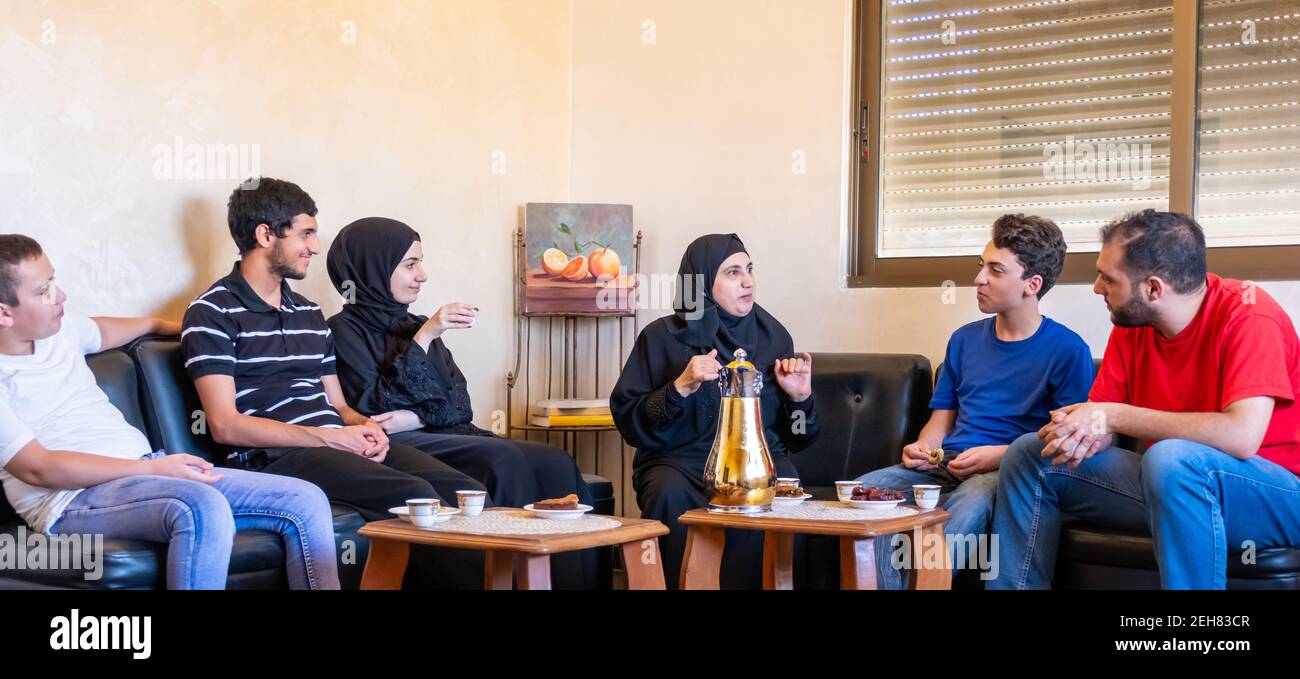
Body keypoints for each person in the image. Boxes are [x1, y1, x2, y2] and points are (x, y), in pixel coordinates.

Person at [182, 178, 485, 587]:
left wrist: (365, 427)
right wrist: (330, 438)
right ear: (265, 235)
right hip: (272, 457)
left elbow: (338, 407)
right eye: (305, 233)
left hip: (331, 443)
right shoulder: (212, 312)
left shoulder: (308, 313)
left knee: (464, 490)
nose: (315, 246)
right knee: (416, 497)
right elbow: (225, 425)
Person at [0, 234, 338, 589]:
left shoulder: (62, 330)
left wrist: (189, 328)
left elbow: (127, 327)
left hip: (145, 472)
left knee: (306, 500)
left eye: (55, 281)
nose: (61, 296)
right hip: (71, 498)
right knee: (200, 508)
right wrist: (152, 468)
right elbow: (38, 469)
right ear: (4, 312)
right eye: (43, 291)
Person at [991, 210, 1300, 589]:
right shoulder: (1133, 323)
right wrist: (1080, 429)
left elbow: (1242, 436)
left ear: (1153, 288)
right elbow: (1102, 421)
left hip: (1273, 498)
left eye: (1108, 278)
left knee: (1170, 457)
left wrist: (1115, 416)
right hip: (1173, 485)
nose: (1096, 287)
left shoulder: (1249, 315)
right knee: (1030, 454)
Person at [325, 216, 597, 588]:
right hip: (395, 446)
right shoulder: (342, 331)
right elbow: (375, 407)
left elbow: (459, 402)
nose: (423, 275)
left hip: (435, 432)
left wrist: (417, 417)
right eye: (410, 265)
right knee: (505, 459)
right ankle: (513, 581)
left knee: (556, 461)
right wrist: (424, 338)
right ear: (371, 268)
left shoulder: (413, 322)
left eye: (420, 262)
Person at [854, 214, 1093, 588]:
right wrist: (922, 447)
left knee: (971, 502)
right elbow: (940, 423)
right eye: (982, 266)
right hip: (944, 465)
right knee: (861, 494)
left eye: (996, 270)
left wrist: (998, 454)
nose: (979, 279)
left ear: (1032, 284)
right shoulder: (963, 340)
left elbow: (1063, 443)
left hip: (1006, 472)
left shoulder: (1068, 350)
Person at [611, 233, 819, 588]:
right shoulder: (661, 337)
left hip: (754, 463)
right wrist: (680, 388)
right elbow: (631, 424)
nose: (748, 281)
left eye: (749, 270)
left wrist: (800, 400)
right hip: (678, 462)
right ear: (702, 284)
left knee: (783, 485)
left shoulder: (774, 337)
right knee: (667, 491)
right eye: (733, 272)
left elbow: (797, 438)